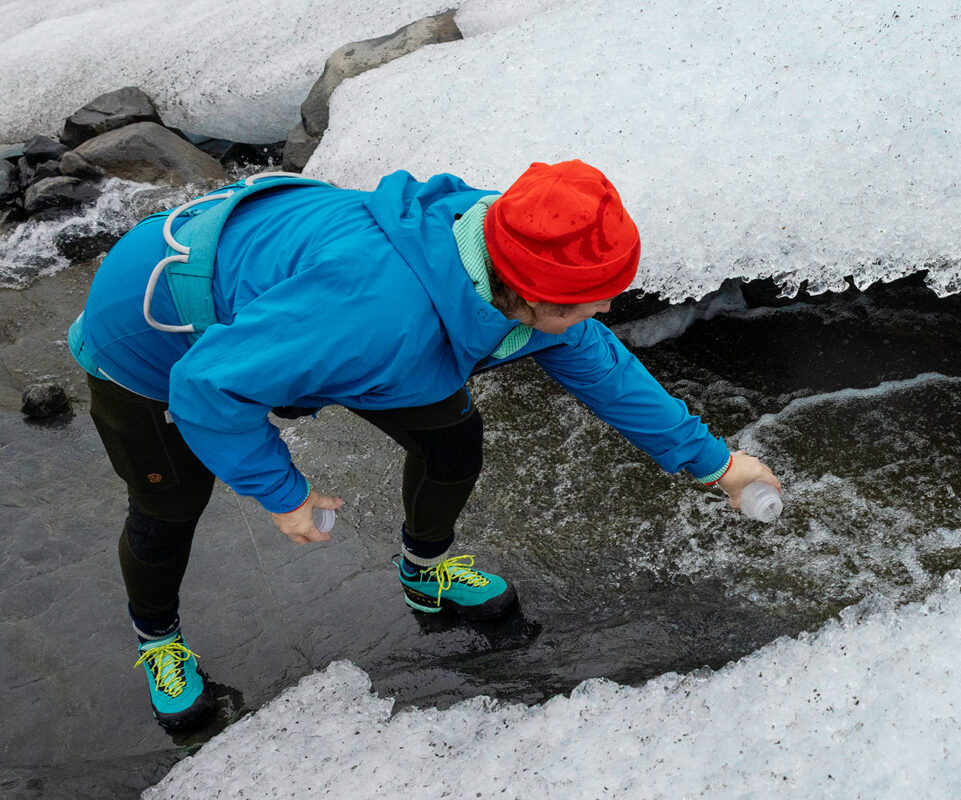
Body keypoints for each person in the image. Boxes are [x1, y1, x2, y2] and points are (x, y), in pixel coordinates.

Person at [70, 160, 780, 731]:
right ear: (531, 299)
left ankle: (426, 568)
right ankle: (158, 640)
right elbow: (207, 387)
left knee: (452, 438)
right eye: (596, 299)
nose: (607, 310)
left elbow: (597, 362)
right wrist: (282, 493)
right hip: (154, 336)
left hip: (308, 304)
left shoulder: (513, 250)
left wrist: (714, 462)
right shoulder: (376, 318)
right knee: (169, 506)